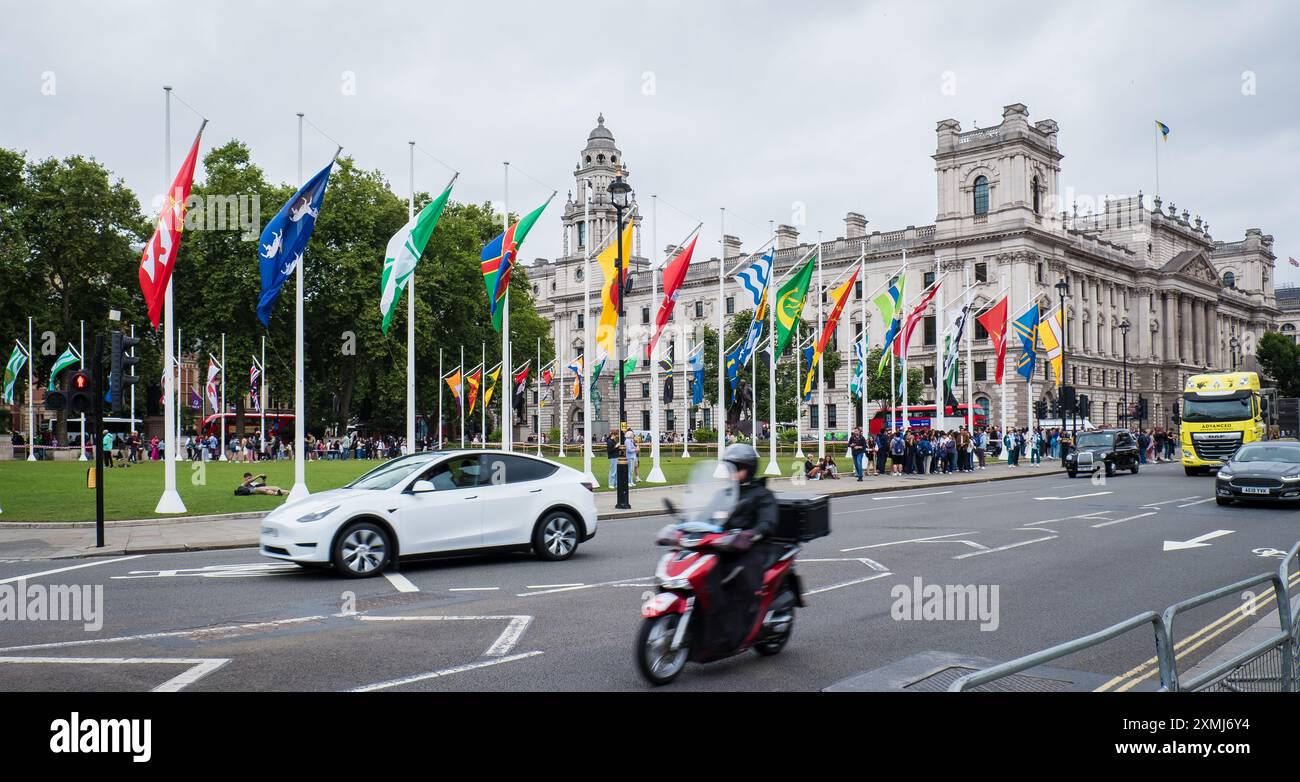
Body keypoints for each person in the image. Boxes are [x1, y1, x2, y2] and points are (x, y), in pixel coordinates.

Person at [709, 444, 778, 654]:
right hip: (726, 545)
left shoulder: (761, 494)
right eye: (730, 467)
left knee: (741, 579)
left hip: (750, 547)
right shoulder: (725, 492)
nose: (732, 472)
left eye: (736, 468)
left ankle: (742, 627)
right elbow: (707, 512)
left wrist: (753, 532)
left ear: (748, 469)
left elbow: (768, 521)